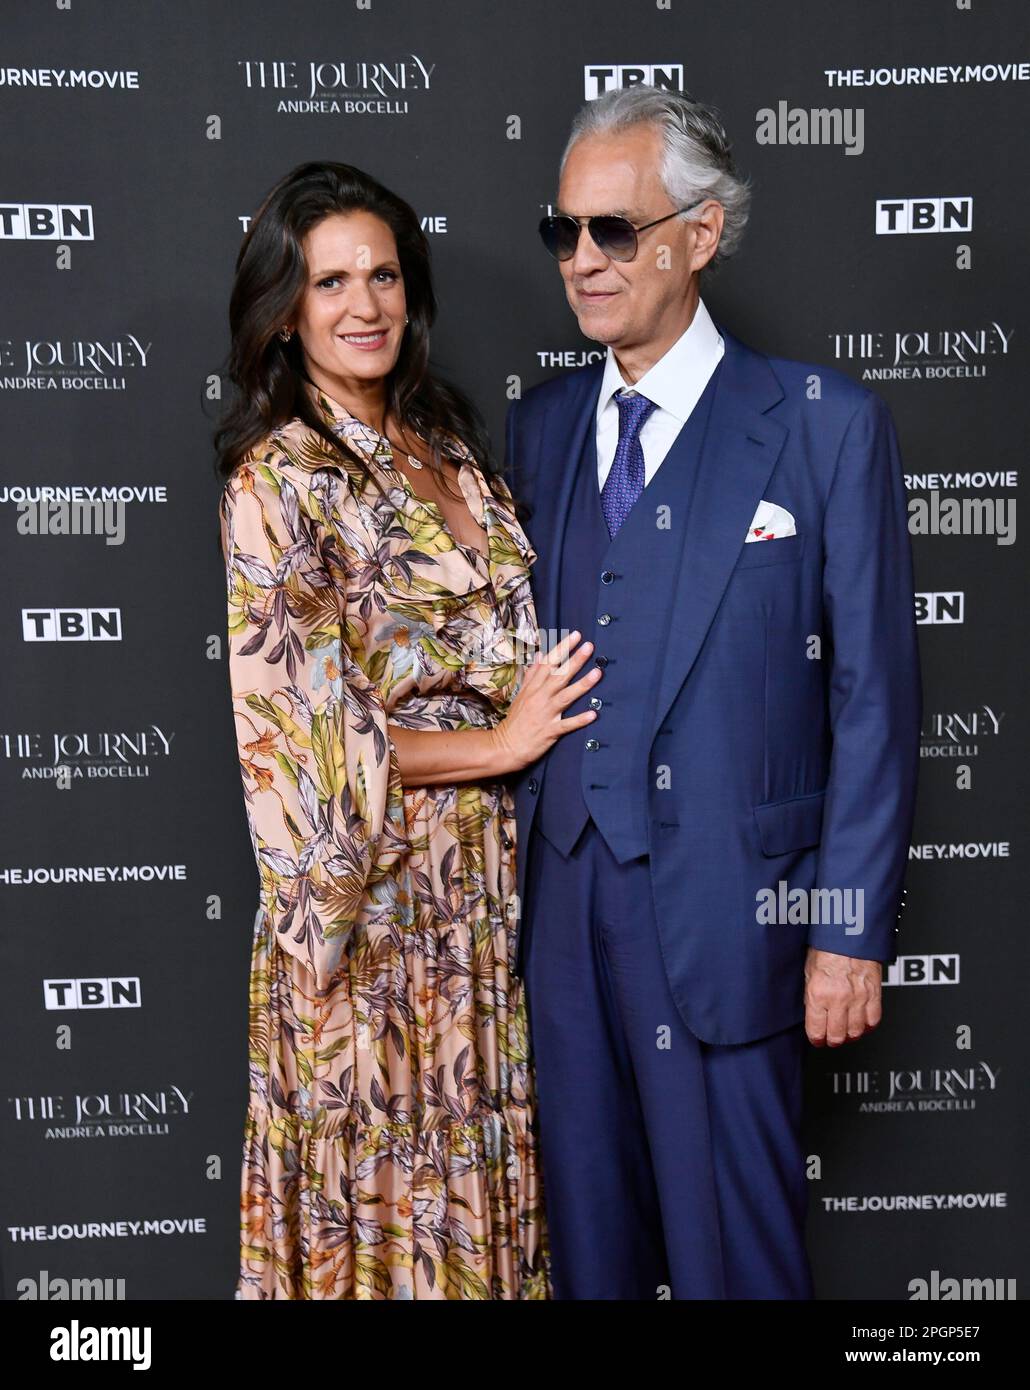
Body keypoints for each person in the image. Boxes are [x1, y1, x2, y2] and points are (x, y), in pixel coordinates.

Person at [503, 86, 921, 1299]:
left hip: (736, 920)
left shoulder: (822, 427)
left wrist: (846, 929)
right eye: (564, 233)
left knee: (736, 1266)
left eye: (613, 232)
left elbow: (872, 701)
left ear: (700, 233)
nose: (582, 262)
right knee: (590, 1262)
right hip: (560, 922)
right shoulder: (535, 431)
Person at [215, 161, 600, 1299]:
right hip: (367, 915)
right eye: (329, 281)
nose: (363, 304)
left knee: (469, 1206)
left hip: (478, 906)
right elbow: (304, 738)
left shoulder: (450, 443)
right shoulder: (275, 479)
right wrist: (502, 744)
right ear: (286, 311)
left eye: (382, 273)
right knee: (379, 1217)